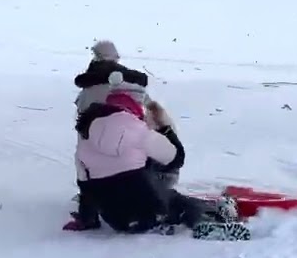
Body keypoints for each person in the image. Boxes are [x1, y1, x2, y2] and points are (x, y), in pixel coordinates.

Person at [74, 90, 249, 241]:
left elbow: (86, 191)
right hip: (153, 207)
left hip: (118, 221)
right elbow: (176, 158)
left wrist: (86, 221)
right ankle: (209, 218)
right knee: (176, 201)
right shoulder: (138, 131)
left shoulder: (83, 146)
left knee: (145, 196)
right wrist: (164, 128)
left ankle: (161, 225)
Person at [65, 40, 150, 231]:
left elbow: (83, 111)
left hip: (93, 131)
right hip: (128, 135)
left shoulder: (91, 85)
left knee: (88, 170)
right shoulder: (130, 82)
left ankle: (90, 215)